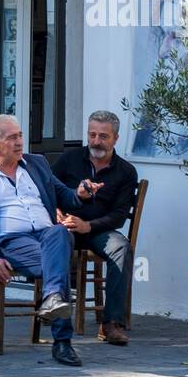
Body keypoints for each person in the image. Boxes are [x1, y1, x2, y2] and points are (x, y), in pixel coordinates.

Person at [0, 115, 102, 366]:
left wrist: (80, 194)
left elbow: (64, 197)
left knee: (59, 233)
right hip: (10, 242)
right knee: (56, 262)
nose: (19, 142)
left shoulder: (37, 164)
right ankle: (62, 341)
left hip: (48, 236)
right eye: (11, 137)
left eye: (20, 135)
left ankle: (53, 298)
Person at [52, 111, 140, 346]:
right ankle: (52, 308)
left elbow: (119, 216)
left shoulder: (126, 171)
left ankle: (111, 324)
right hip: (66, 228)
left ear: (116, 139)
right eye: (92, 134)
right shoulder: (69, 160)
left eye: (103, 136)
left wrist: (87, 225)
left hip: (98, 231)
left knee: (121, 248)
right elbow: (45, 190)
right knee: (52, 241)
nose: (96, 141)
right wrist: (55, 213)